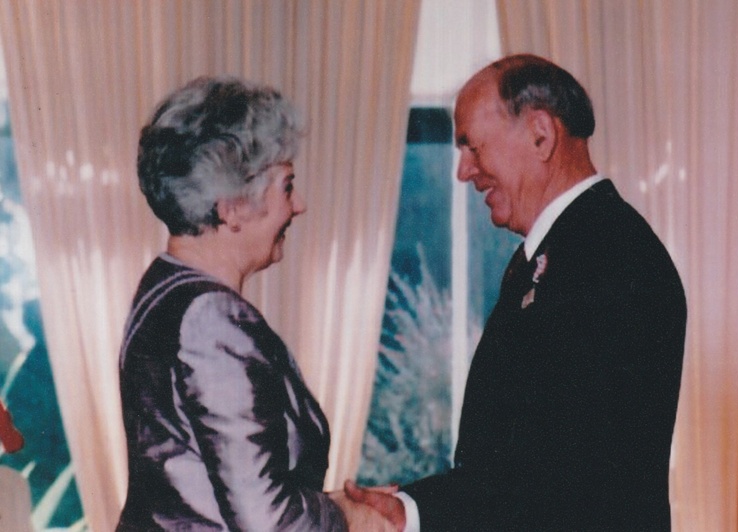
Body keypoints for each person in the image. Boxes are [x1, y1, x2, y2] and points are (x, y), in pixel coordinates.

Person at [345, 54, 687, 531]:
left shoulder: (610, 259)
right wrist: (412, 505)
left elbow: (559, 472)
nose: (463, 171)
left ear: (541, 135)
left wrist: (415, 511)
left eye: (470, 145)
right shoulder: (561, 251)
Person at [117, 77, 389, 531]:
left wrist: (333, 503)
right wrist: (349, 517)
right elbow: (268, 523)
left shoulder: (163, 287)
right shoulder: (211, 320)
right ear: (233, 208)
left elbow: (214, 488)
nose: (298, 205)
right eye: (287, 186)